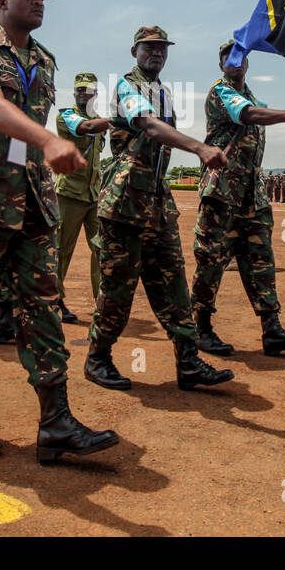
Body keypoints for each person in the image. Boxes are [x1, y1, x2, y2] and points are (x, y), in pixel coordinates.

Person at [0, 0, 117, 463]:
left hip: (33, 198)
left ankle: (55, 421)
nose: (39, 1)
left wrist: (44, 149)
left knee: (43, 304)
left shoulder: (46, 60)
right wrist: (51, 140)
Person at [83, 26, 234, 392]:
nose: (157, 53)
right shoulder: (125, 86)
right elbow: (149, 127)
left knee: (173, 281)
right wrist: (199, 148)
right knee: (119, 285)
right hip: (123, 202)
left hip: (156, 201)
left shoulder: (164, 93)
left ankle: (188, 360)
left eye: (162, 48)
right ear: (135, 50)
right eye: (149, 47)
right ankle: (97, 357)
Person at [191, 41, 285, 357]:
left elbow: (253, 110)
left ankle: (272, 329)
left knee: (261, 261)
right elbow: (248, 115)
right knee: (211, 261)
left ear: (247, 63)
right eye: (228, 57)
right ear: (221, 64)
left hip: (252, 197)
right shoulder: (221, 93)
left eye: (240, 57)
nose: (234, 62)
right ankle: (201, 328)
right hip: (221, 195)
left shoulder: (254, 98)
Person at [52, 72, 107, 325]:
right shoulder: (66, 116)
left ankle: (102, 301)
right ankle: (55, 300)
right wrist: (120, 118)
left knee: (102, 249)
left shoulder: (99, 120)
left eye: (90, 90)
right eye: (80, 90)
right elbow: (84, 128)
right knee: (61, 250)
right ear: (74, 92)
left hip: (93, 196)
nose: (85, 94)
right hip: (69, 194)